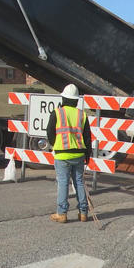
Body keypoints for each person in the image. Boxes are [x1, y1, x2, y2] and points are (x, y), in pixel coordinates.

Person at [46, 84, 92, 223]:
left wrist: (56, 145)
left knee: (63, 182)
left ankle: (62, 213)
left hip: (62, 154)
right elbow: (87, 137)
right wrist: (88, 155)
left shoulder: (57, 113)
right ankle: (83, 212)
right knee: (78, 181)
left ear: (64, 98)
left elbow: (50, 132)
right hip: (79, 154)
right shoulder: (82, 115)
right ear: (77, 100)